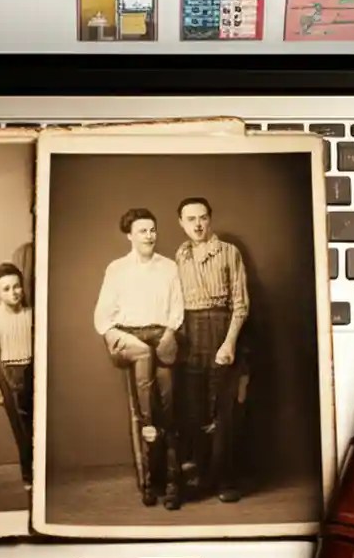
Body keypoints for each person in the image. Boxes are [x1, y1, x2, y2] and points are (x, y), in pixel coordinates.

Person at [92, 208, 185, 510]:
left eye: (152, 230)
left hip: (162, 336)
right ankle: (147, 483)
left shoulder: (169, 267)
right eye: (142, 230)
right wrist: (118, 339)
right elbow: (103, 317)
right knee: (143, 413)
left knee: (168, 410)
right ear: (129, 235)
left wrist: (170, 334)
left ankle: (172, 483)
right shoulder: (116, 269)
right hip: (131, 340)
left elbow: (176, 308)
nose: (149, 235)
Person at [173, 196, 249, 503]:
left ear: (210, 218)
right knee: (195, 410)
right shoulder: (178, 257)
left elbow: (241, 304)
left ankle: (225, 479)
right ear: (181, 223)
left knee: (224, 410)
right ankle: (202, 477)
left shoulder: (230, 252)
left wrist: (229, 342)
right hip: (189, 336)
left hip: (222, 329)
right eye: (190, 219)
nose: (198, 224)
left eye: (202, 217)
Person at [0, 262, 34, 490]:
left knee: (37, 425)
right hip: (10, 376)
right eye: (6, 289)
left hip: (34, 371)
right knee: (22, 429)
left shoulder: (33, 315)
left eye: (16, 286)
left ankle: (43, 471)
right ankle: (28, 475)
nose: (13, 293)